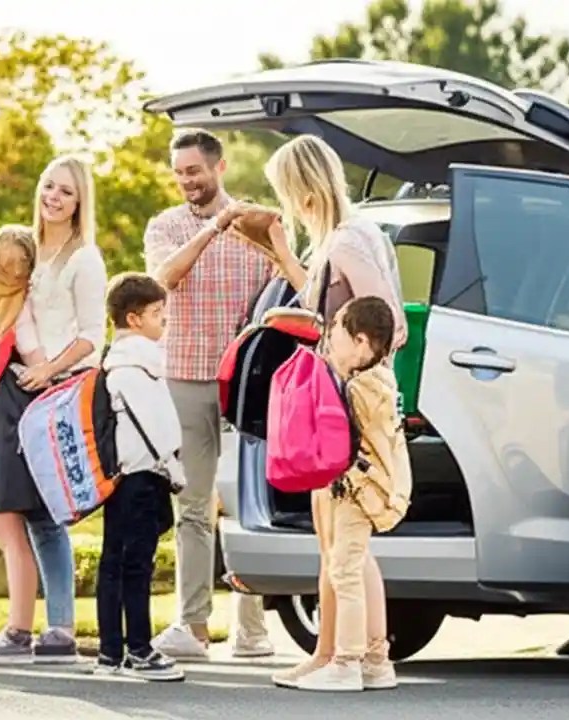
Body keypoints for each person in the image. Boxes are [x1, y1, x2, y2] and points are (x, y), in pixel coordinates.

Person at [239, 134, 407, 689]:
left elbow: (387, 323)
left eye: (286, 192)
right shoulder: (344, 238)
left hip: (347, 410)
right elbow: (322, 307)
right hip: (345, 404)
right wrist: (279, 252)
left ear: (303, 189)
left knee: (343, 539)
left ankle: (345, 660)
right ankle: (355, 655)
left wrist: (345, 372)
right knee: (342, 542)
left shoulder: (350, 241)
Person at [0, 155, 106, 664]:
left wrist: (47, 369)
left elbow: (92, 337)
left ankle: (51, 632)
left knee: (42, 516)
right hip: (16, 387)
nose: (53, 197)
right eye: (48, 186)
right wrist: (31, 361)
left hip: (57, 393)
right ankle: (30, 631)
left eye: (65, 190)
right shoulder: (25, 250)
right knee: (13, 511)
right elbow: (9, 316)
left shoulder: (84, 259)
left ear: (80, 200)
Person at [144, 129, 275, 660]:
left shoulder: (258, 224)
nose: (186, 182)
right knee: (193, 507)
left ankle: (252, 631)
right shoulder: (165, 226)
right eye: (178, 173)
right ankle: (194, 627)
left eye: (194, 171)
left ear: (219, 169)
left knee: (247, 505)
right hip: (184, 377)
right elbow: (163, 279)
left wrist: (240, 226)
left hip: (244, 384)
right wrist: (212, 230)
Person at [289, 297, 409, 692]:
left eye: (337, 331)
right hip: (361, 488)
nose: (331, 339)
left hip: (357, 491)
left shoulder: (362, 388)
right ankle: (375, 660)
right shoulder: (380, 380)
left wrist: (336, 371)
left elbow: (342, 434)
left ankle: (347, 662)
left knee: (344, 571)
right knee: (350, 568)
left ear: (360, 341)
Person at [93, 272, 187, 681]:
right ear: (133, 319)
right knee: (135, 566)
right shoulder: (137, 370)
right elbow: (158, 433)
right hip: (143, 478)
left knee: (114, 562)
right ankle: (140, 649)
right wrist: (175, 471)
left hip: (121, 479)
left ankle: (110, 651)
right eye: (156, 313)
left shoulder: (118, 367)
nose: (162, 320)